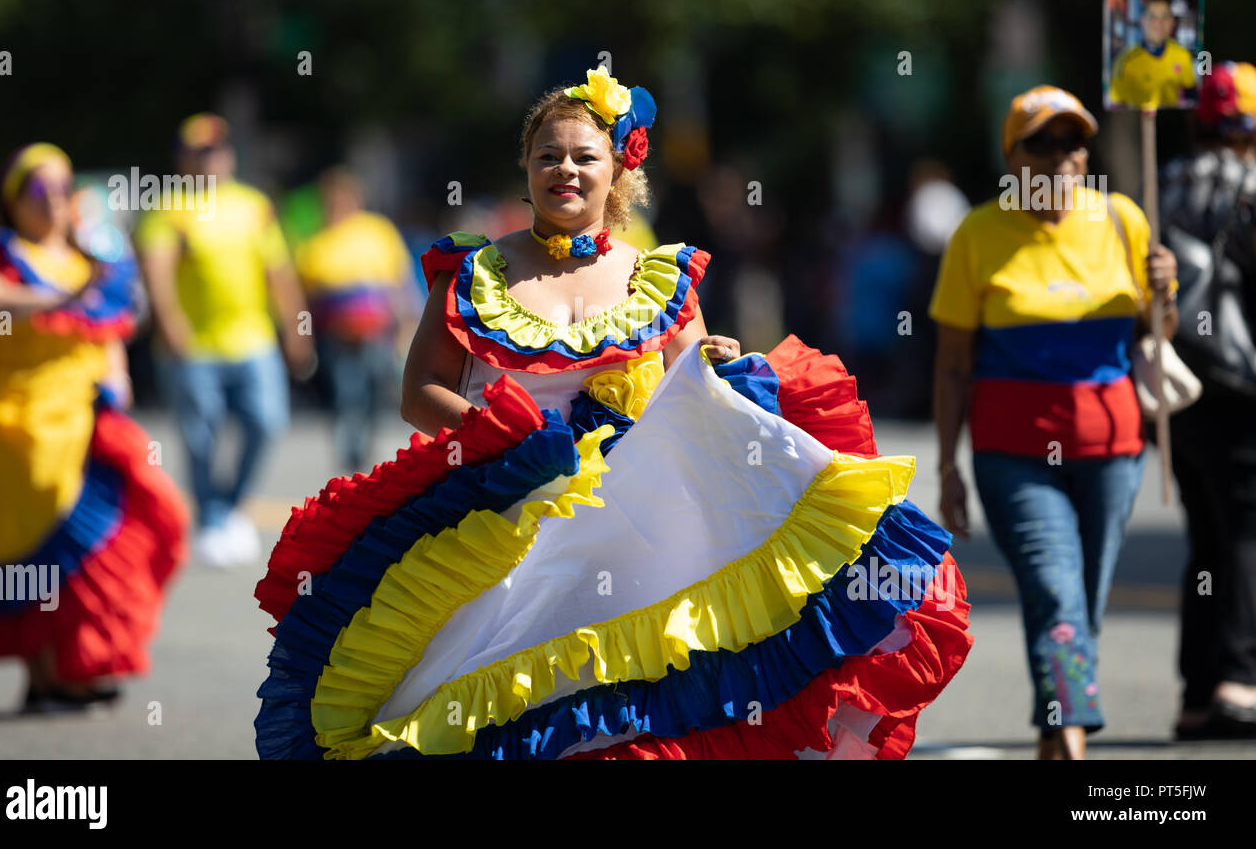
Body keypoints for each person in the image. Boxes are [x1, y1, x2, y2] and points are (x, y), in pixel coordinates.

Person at [253, 66, 972, 760]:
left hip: (629, 521)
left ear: (618, 170)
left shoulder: (656, 276)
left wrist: (716, 363)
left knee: (608, 689)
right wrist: (502, 440)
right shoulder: (475, 272)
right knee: (479, 686)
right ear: (527, 167)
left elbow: (690, 393)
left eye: (583, 156)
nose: (564, 170)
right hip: (501, 515)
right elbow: (419, 394)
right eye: (548, 156)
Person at [931, 85, 1179, 759]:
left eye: (1072, 143)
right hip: (1013, 453)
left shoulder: (1125, 219)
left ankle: (1054, 720)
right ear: (1012, 158)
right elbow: (953, 364)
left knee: (1082, 598)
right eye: (1041, 144)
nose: (1061, 158)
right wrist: (948, 468)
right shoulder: (978, 234)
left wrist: (1164, 291)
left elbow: (1158, 334)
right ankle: (1068, 721)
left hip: (1115, 447)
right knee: (1054, 585)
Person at [0, 144, 187, 711]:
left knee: (148, 520)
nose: (57, 200)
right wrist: (55, 296)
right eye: (42, 190)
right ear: (18, 200)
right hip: (29, 421)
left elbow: (105, 329)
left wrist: (118, 371)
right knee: (43, 552)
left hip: (94, 416)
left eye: (64, 188)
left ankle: (87, 659)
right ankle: (48, 677)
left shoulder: (90, 256)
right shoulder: (2, 254)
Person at [136, 114, 314, 567]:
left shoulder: (253, 206)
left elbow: (279, 274)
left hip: (252, 341)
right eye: (199, 152)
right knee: (202, 434)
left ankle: (231, 505)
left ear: (229, 155)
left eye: (216, 150)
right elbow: (157, 271)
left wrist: (298, 329)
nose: (209, 159)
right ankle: (212, 517)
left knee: (267, 422)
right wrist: (171, 323)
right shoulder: (168, 209)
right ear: (183, 159)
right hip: (194, 346)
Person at [1161, 61, 1256, 739]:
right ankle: (1238, 678)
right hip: (1242, 383)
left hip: (1177, 385)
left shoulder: (1159, 184)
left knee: (1206, 535)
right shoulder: (1250, 186)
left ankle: (1197, 693)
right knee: (1248, 531)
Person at [293, 167, 422, 472]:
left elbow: (400, 281)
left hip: (377, 331)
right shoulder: (314, 243)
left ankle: (364, 449)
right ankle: (349, 454)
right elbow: (303, 300)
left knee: (376, 392)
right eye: (331, 200)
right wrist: (302, 336)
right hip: (337, 336)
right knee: (345, 393)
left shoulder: (377, 231)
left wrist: (410, 319)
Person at [1109, 0, 1198, 109]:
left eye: (1165, 17)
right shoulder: (1124, 61)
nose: (1159, 23)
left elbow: (1191, 95)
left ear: (1172, 22)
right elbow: (1117, 105)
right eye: (1152, 17)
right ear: (1142, 21)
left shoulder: (1182, 55)